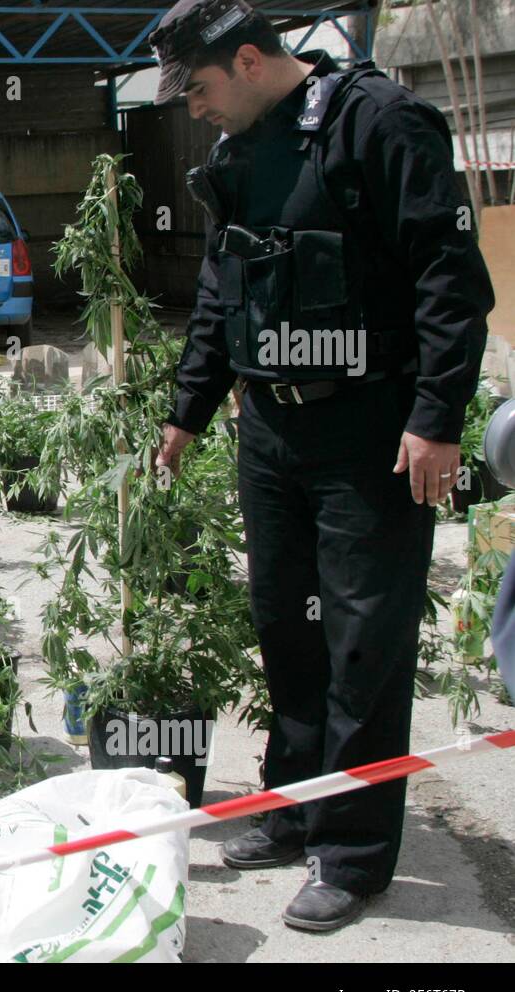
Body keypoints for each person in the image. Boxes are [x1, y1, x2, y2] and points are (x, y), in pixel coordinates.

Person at [150, 0, 494, 931]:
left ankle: (353, 851)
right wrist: (188, 410)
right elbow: (224, 283)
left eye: (203, 89)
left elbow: (449, 279)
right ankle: (297, 803)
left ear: (253, 60)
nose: (196, 111)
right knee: (287, 626)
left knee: (361, 642)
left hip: (370, 434)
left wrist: (437, 417)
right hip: (271, 429)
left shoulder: (378, 124)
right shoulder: (238, 155)